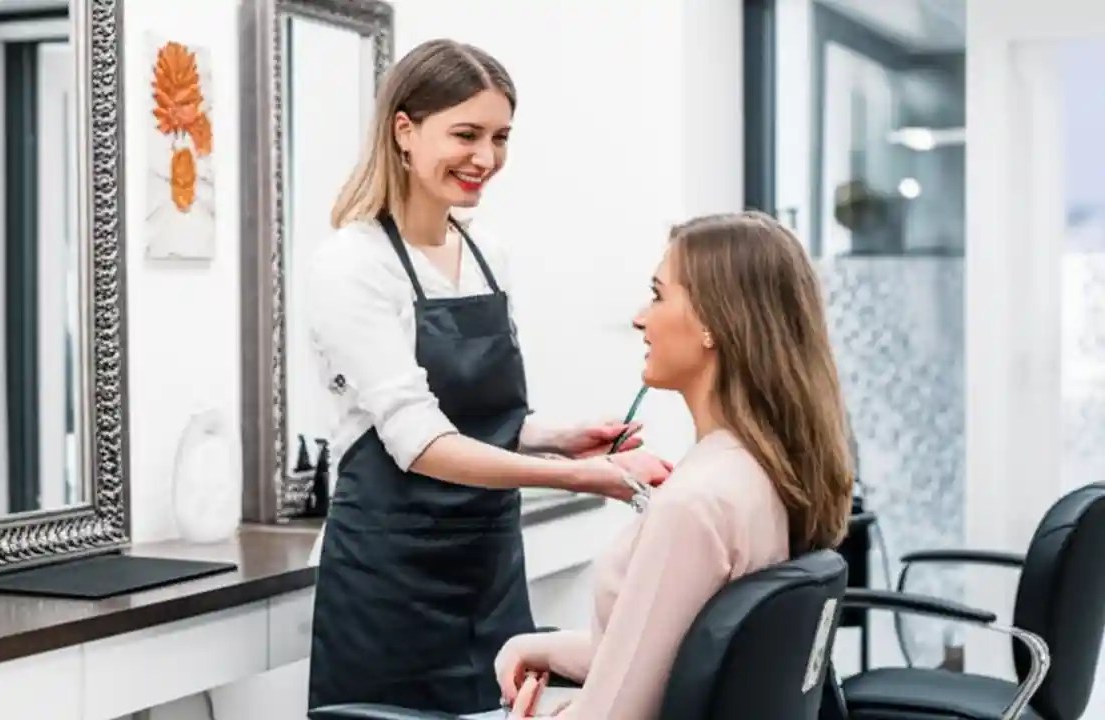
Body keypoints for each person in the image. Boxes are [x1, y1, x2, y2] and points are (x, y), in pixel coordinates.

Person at [305, 39, 674, 715]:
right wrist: (580, 477)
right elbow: (417, 439)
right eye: (467, 135)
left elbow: (477, 411)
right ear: (405, 131)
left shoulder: (486, 253)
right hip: (391, 576)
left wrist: (559, 438)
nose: (486, 158)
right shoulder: (351, 265)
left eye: (501, 137)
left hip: (489, 563)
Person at [496, 211, 856, 719]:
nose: (640, 318)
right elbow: (678, 657)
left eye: (659, 295)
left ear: (714, 323)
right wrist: (536, 647)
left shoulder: (694, 505)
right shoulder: (759, 472)